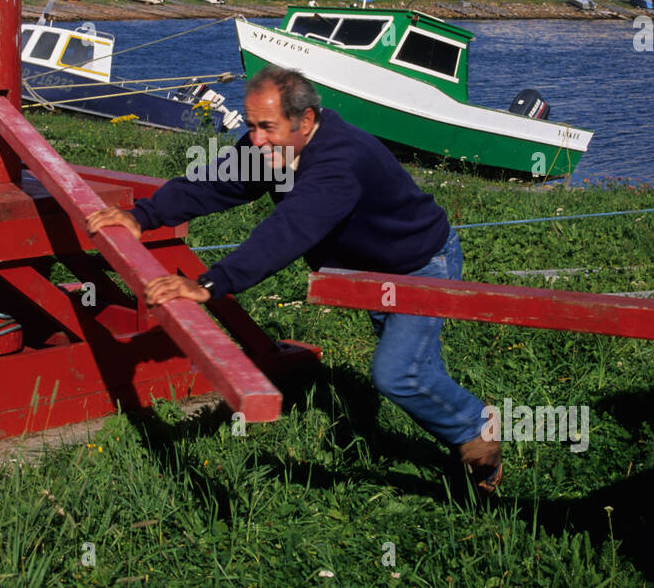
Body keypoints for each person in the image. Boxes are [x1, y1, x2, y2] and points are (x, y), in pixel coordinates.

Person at [85, 65, 501, 491]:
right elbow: (213, 185)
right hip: (370, 269)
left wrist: (210, 284)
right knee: (417, 368)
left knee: (398, 374)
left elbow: (287, 233)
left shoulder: (339, 164)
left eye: (267, 126)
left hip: (417, 263)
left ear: (305, 121)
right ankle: (459, 436)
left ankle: (478, 433)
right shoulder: (274, 151)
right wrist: (142, 216)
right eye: (250, 125)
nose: (256, 139)